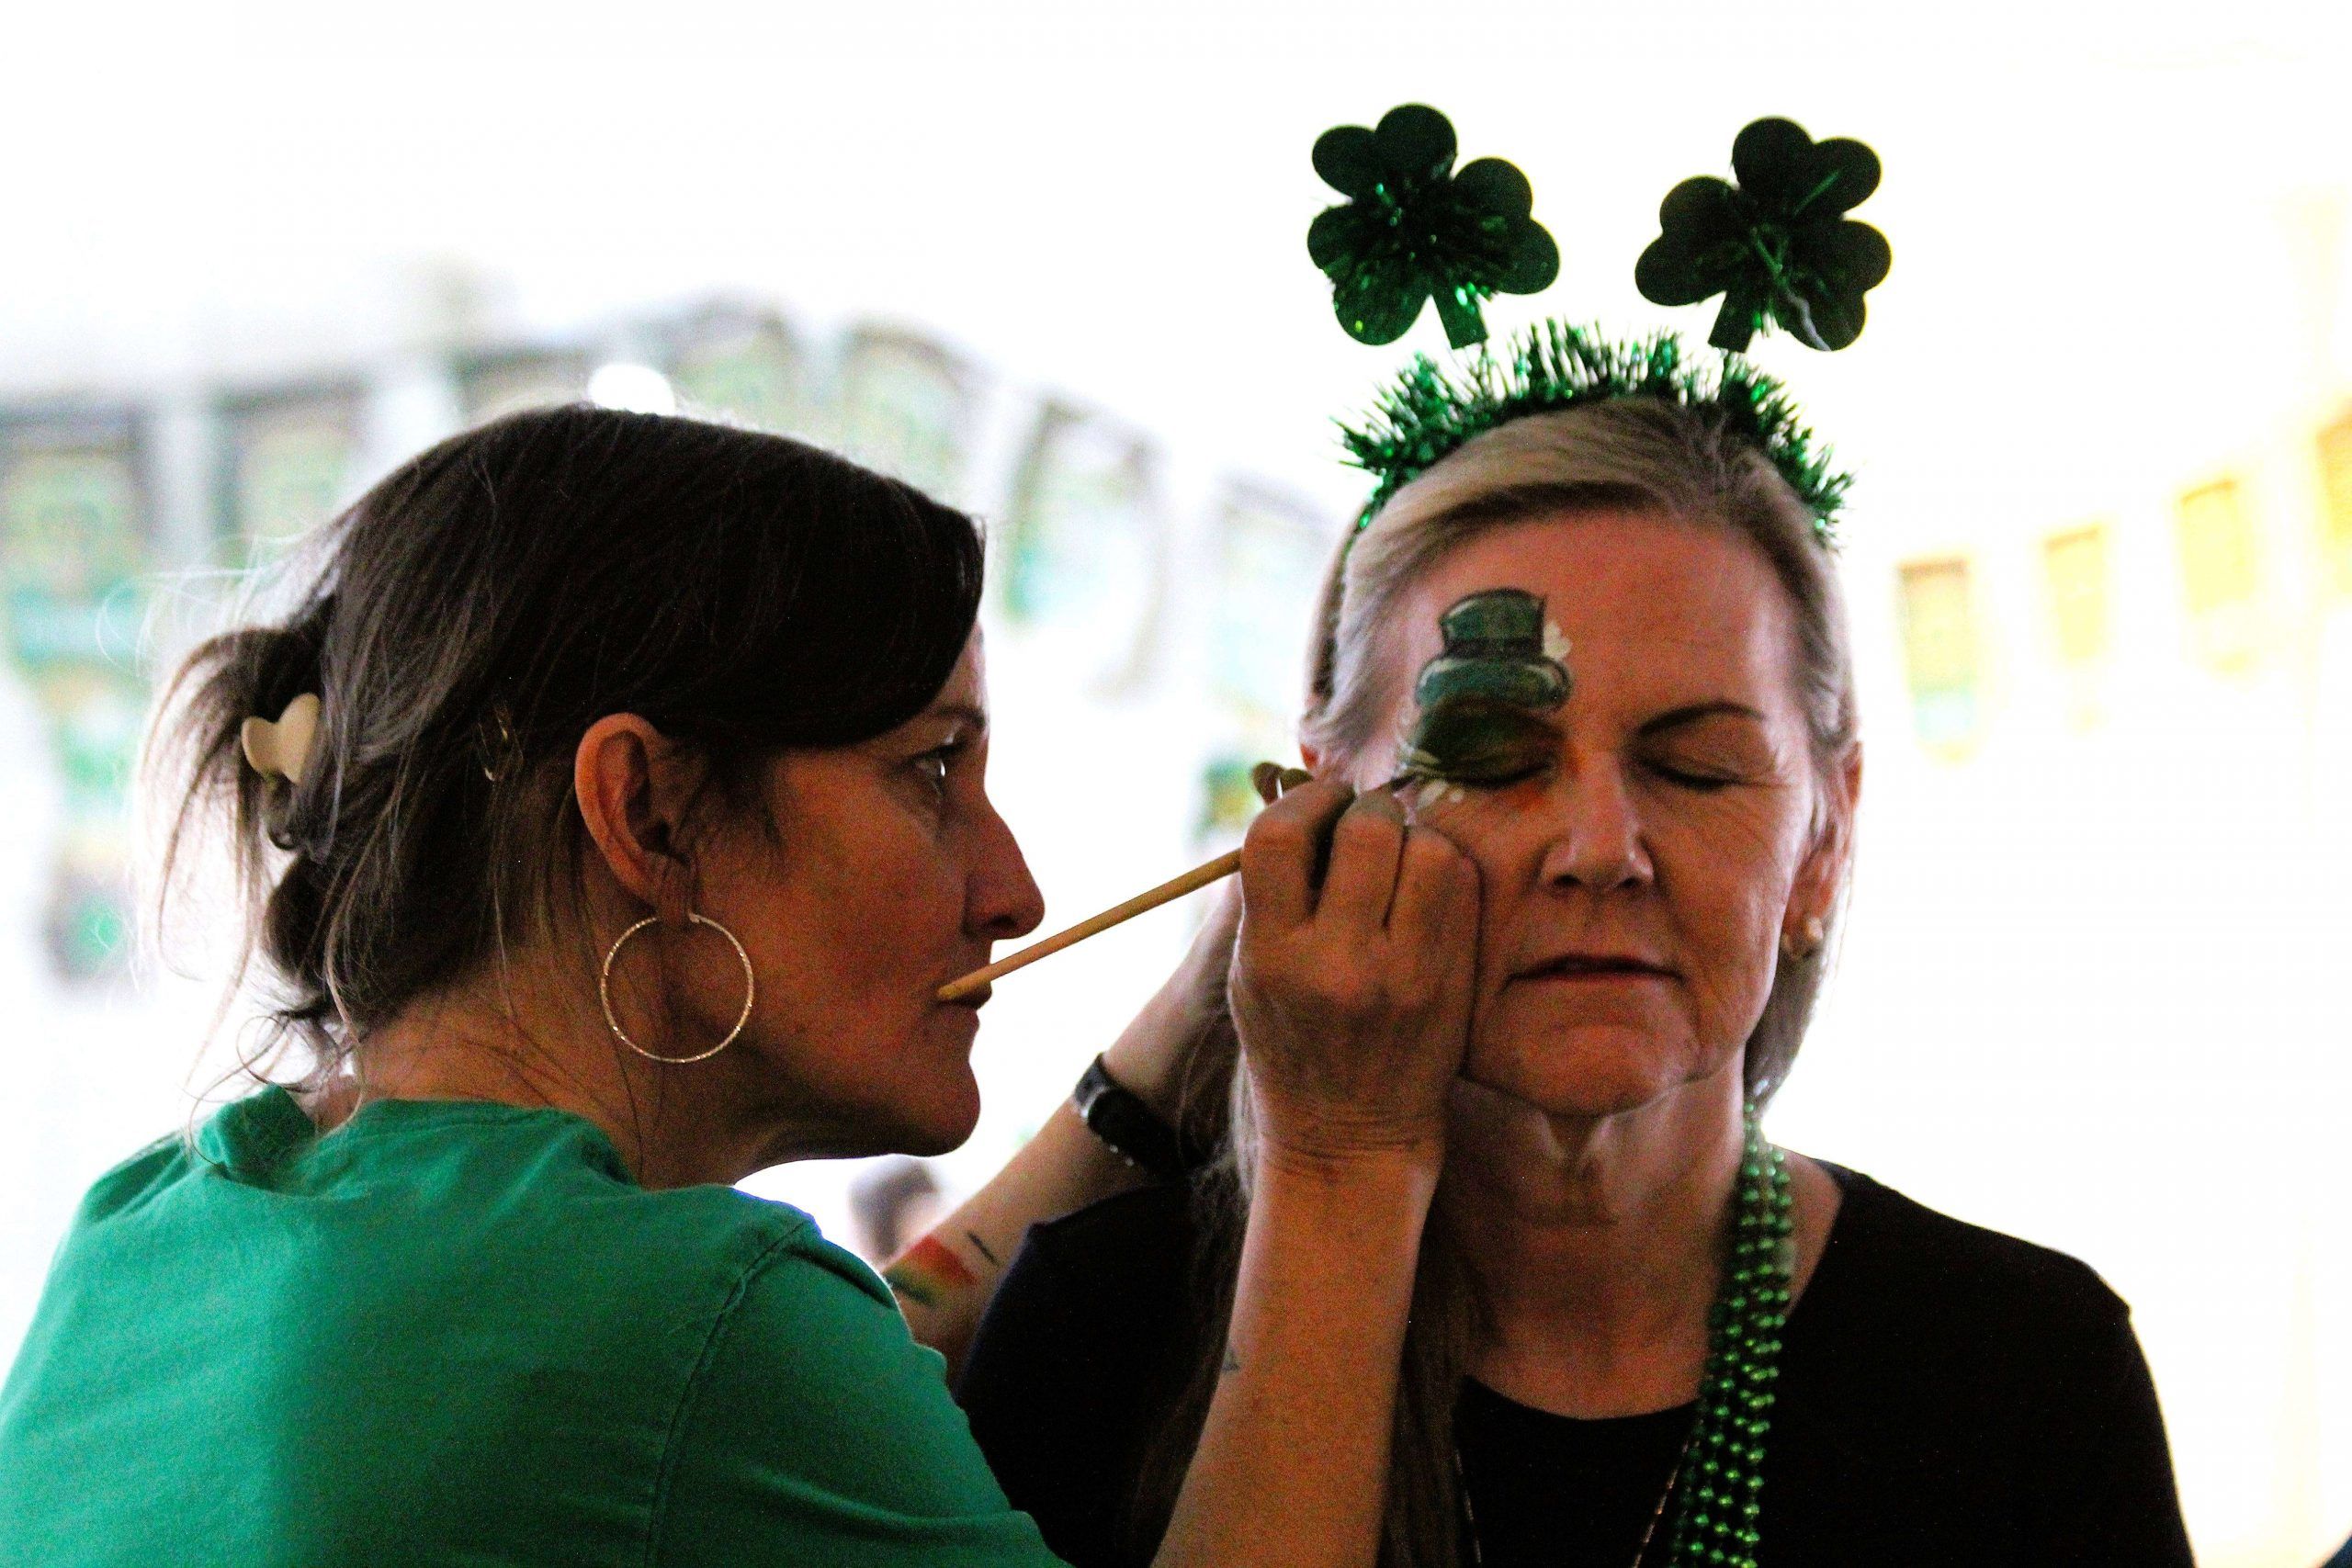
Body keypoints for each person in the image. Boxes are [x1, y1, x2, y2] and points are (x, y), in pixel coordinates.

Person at [0, 405, 1484, 1568]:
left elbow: (748, 1376)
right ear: (646, 815)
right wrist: (1346, 1150)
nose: (1014, 884)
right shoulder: (698, 1332)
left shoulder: (147, 1234)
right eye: (933, 770)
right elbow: (720, 1364)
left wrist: (1155, 1057)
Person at [954, 389, 2200, 1567]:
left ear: (1824, 843)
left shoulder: (2024, 1373)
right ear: (1324, 808)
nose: (1603, 850)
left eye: (1698, 770)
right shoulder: (1098, 1332)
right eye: (1494, 762)